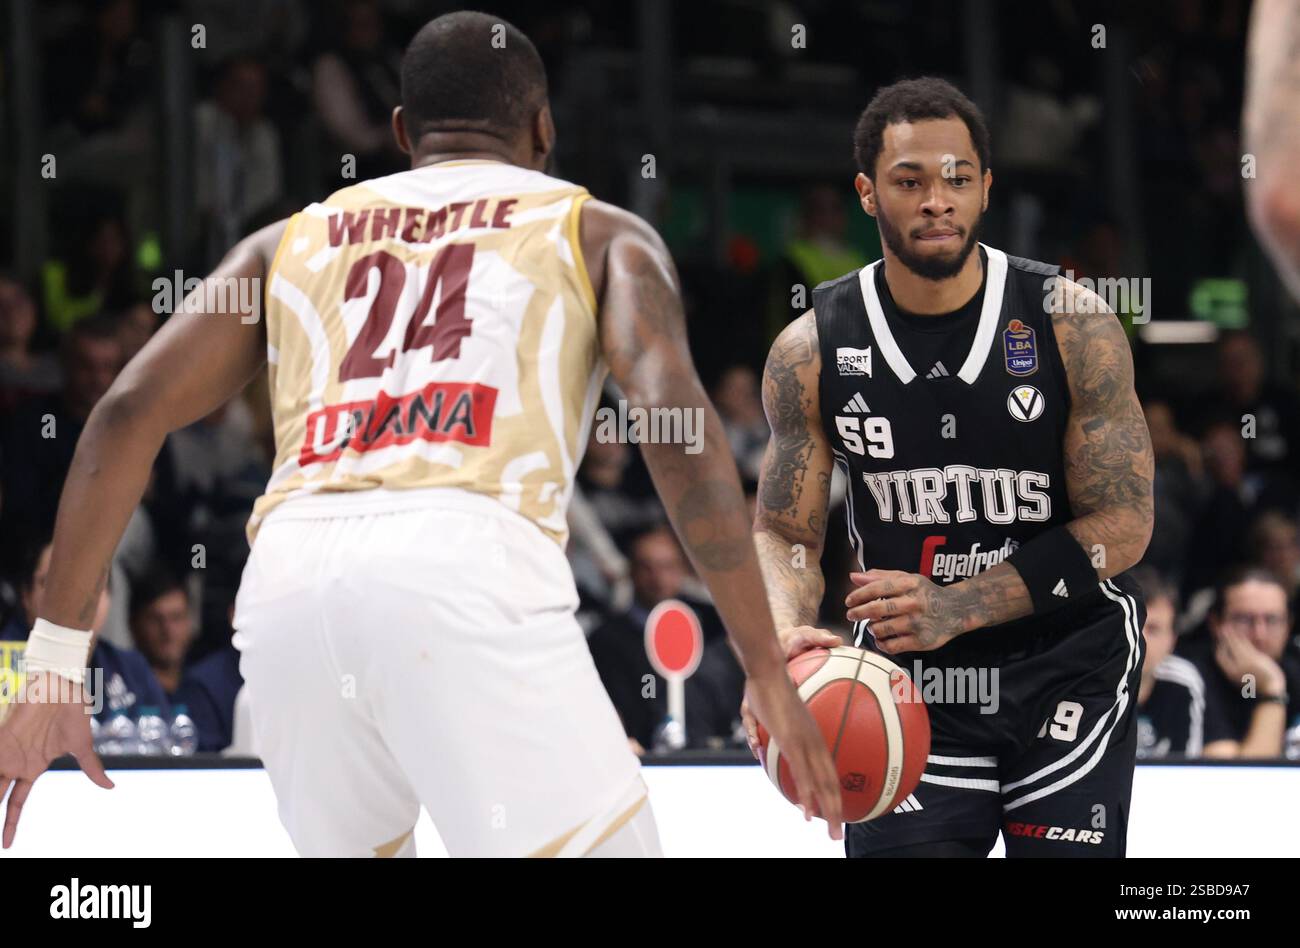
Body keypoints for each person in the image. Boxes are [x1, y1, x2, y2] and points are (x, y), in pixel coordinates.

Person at [0, 11, 841, 856]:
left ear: (403, 132)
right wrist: (763, 667)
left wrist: (54, 664)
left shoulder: (283, 242)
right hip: (467, 563)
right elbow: (671, 420)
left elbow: (120, 415)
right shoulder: (598, 233)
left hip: (289, 585)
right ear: (544, 129)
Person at [744, 77, 1154, 857]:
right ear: (867, 193)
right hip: (906, 682)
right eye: (911, 180)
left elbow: (1125, 525)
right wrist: (787, 639)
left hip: (1067, 662)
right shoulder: (812, 348)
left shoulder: (1072, 323)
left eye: (958, 178)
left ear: (987, 187)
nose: (938, 199)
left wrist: (958, 605)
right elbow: (785, 532)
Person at [1177, 567, 1300, 759]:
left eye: (1272, 620)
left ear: (1289, 625)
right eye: (1244, 619)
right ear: (1216, 624)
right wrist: (1272, 689)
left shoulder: (1295, 669)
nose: (1260, 634)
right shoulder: (1189, 680)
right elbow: (1246, 775)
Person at [1130, 568, 1204, 759]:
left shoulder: (1182, 681)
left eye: (1153, 629)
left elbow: (1185, 772)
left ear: (1172, 639)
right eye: (1132, 624)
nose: (1140, 638)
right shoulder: (1087, 680)